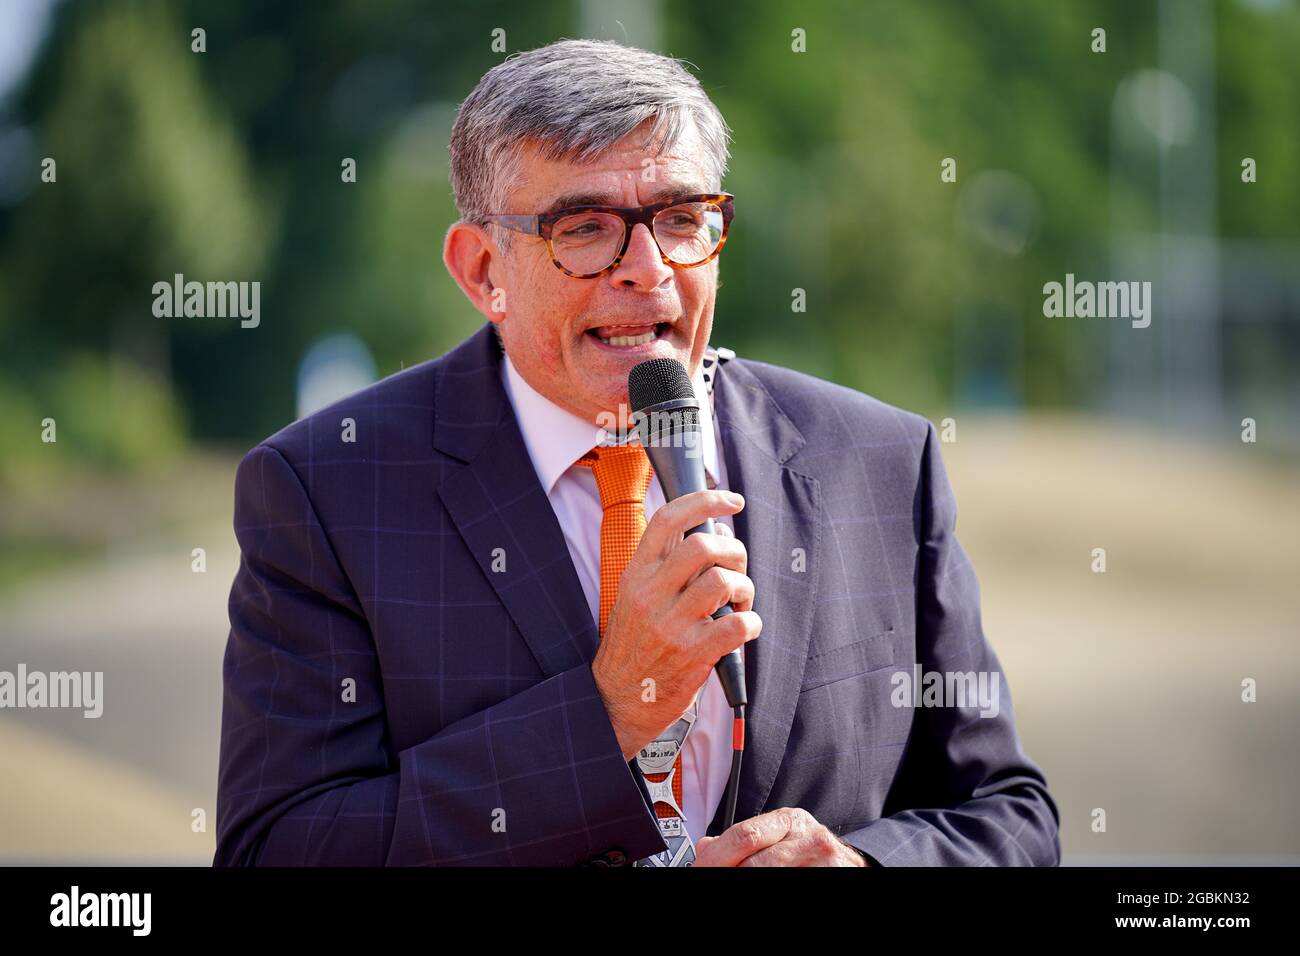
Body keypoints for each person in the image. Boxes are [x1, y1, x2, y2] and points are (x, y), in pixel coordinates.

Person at [214, 38, 1060, 867]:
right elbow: (279, 848)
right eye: (584, 229)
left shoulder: (877, 460)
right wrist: (610, 707)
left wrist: (862, 867)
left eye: (683, 220)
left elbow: (1009, 817)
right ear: (481, 271)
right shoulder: (328, 489)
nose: (648, 271)